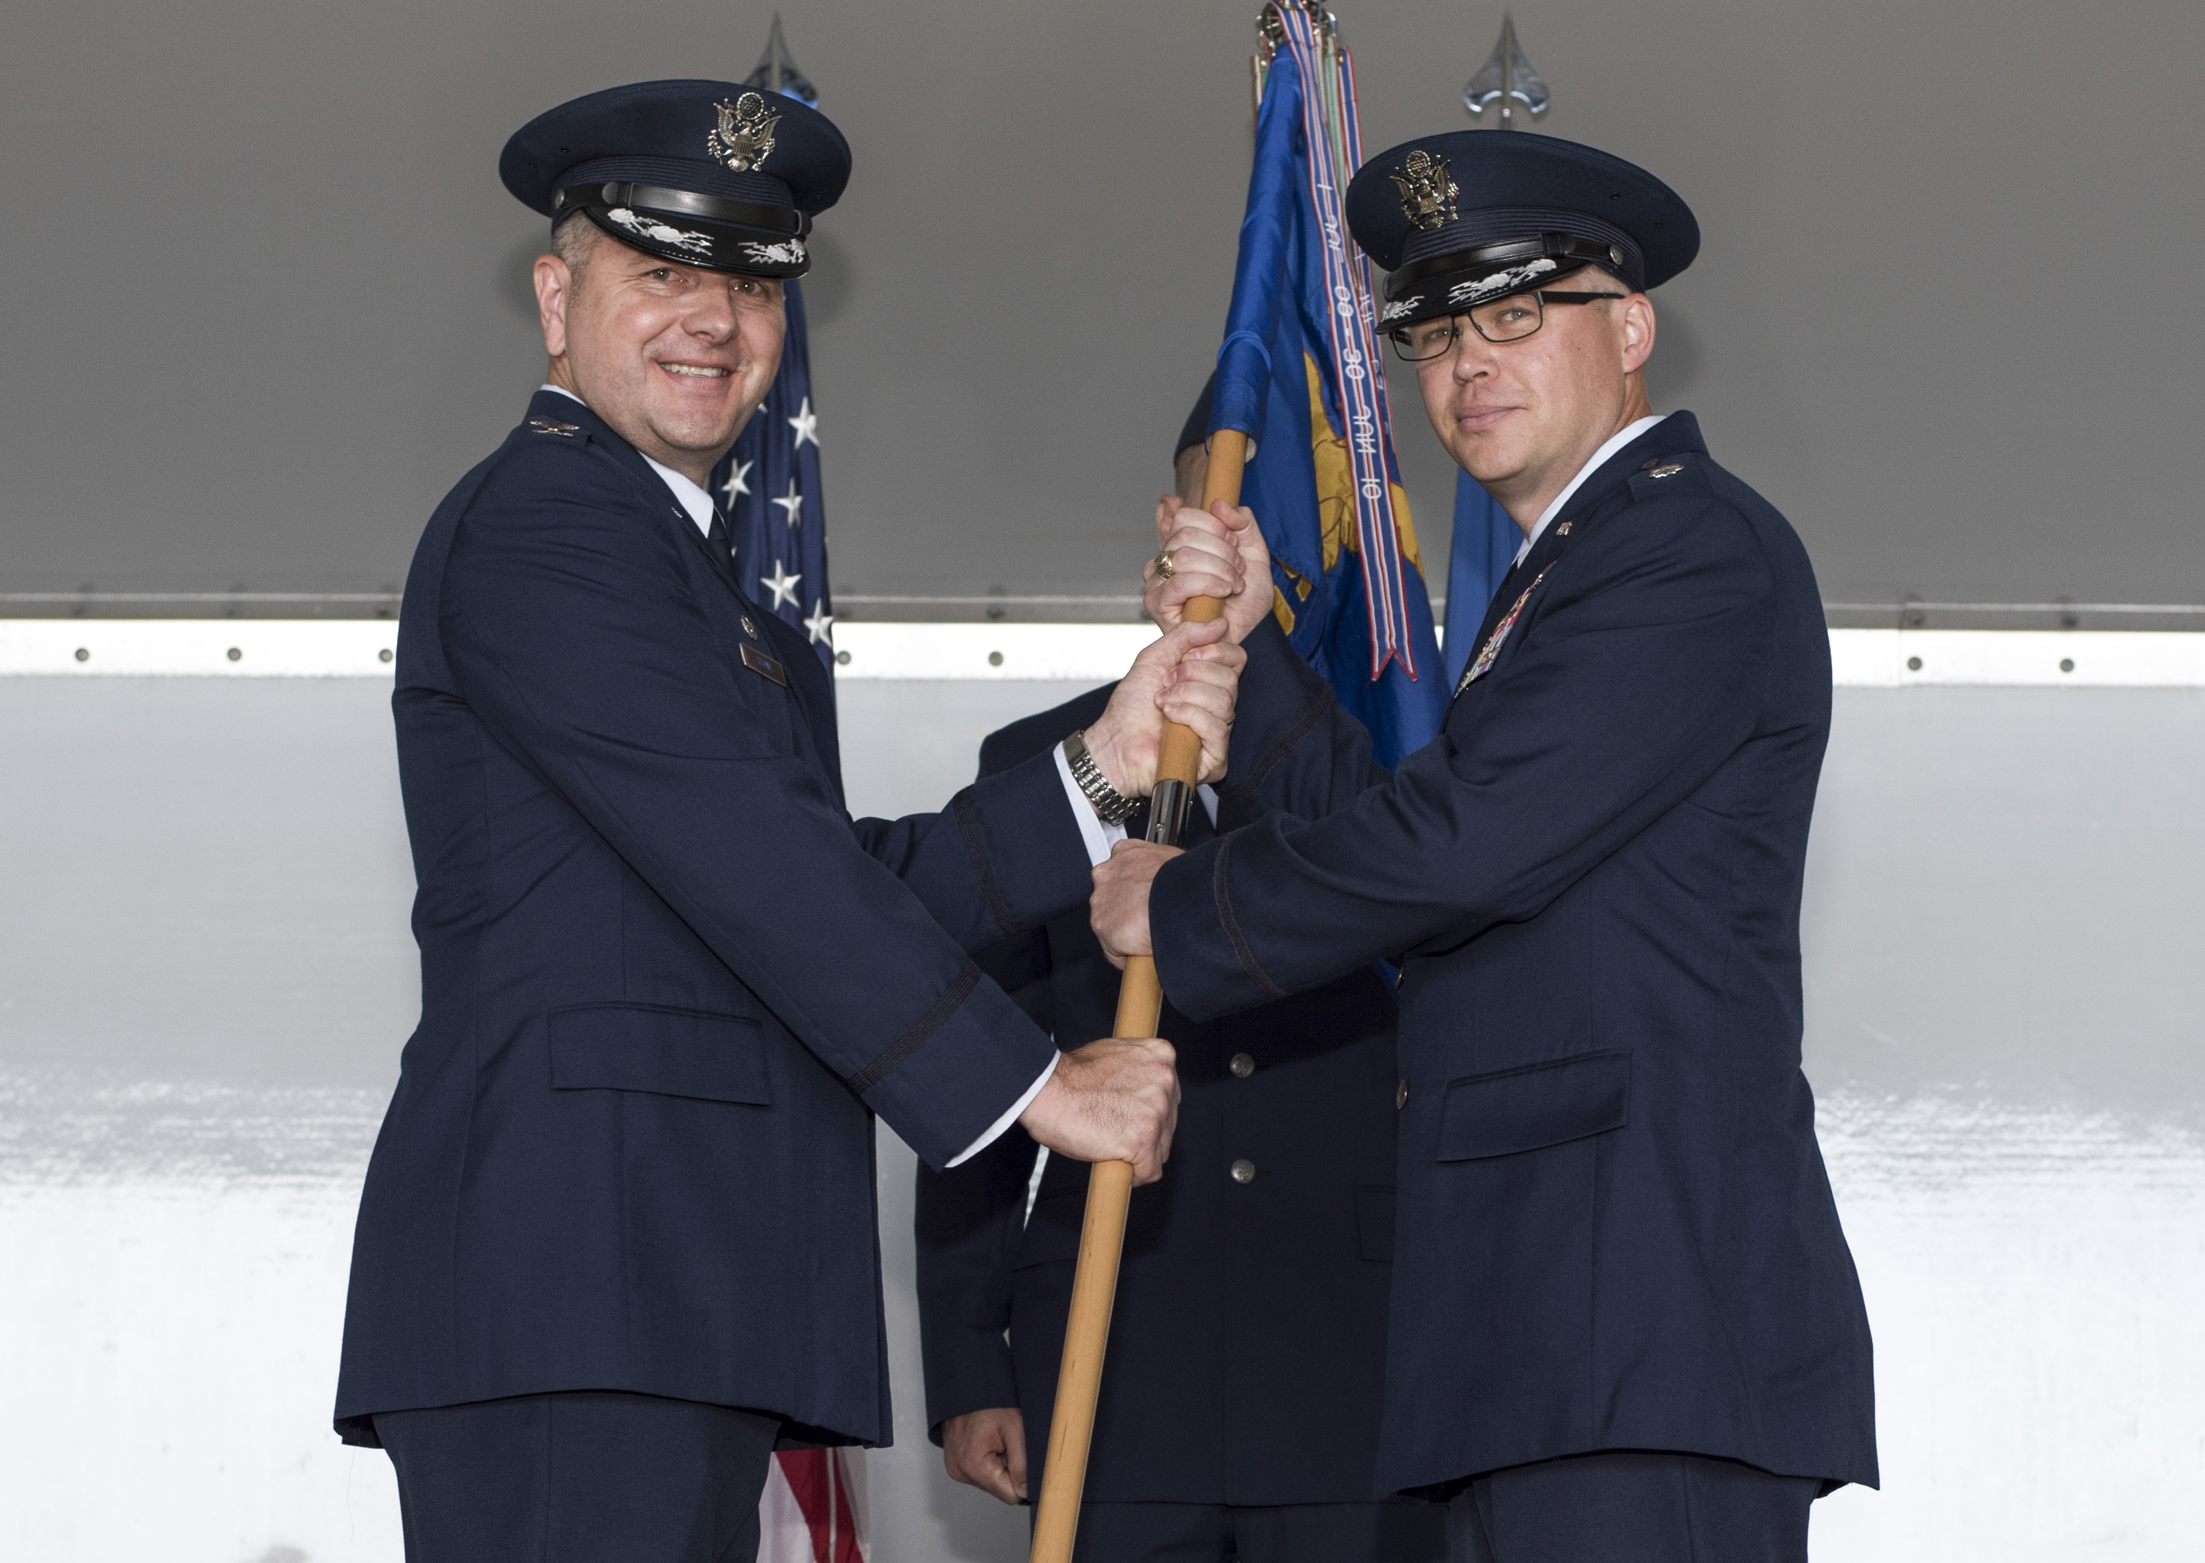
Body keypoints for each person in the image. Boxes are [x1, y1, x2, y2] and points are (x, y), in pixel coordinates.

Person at [332, 79, 1247, 1563]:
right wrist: (1033, 1090)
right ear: (558, 301)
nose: (713, 318)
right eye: (662, 272)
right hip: (582, 1290)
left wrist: (1100, 757)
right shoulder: (547, 522)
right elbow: (758, 870)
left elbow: (818, 871)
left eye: (749, 282)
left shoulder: (673, 565)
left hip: (654, 1293)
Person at [1093, 130, 1879, 1561]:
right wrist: (1261, 646)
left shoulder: (1682, 550)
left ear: (1629, 328)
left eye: (1518, 313)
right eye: (1435, 333)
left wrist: (1186, 907)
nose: (1467, 365)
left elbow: (1459, 846)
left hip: (1638, 1333)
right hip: (1537, 1340)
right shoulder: (1567, 575)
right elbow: (1438, 830)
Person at [914, 385, 1449, 1563]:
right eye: (1217, 525)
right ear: (1168, 539)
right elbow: (968, 1052)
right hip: (1118, 1347)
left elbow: (1402, 901)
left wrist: (1251, 662)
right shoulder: (1044, 768)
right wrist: (968, 1356)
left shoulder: (1394, 765)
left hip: (1346, 1351)